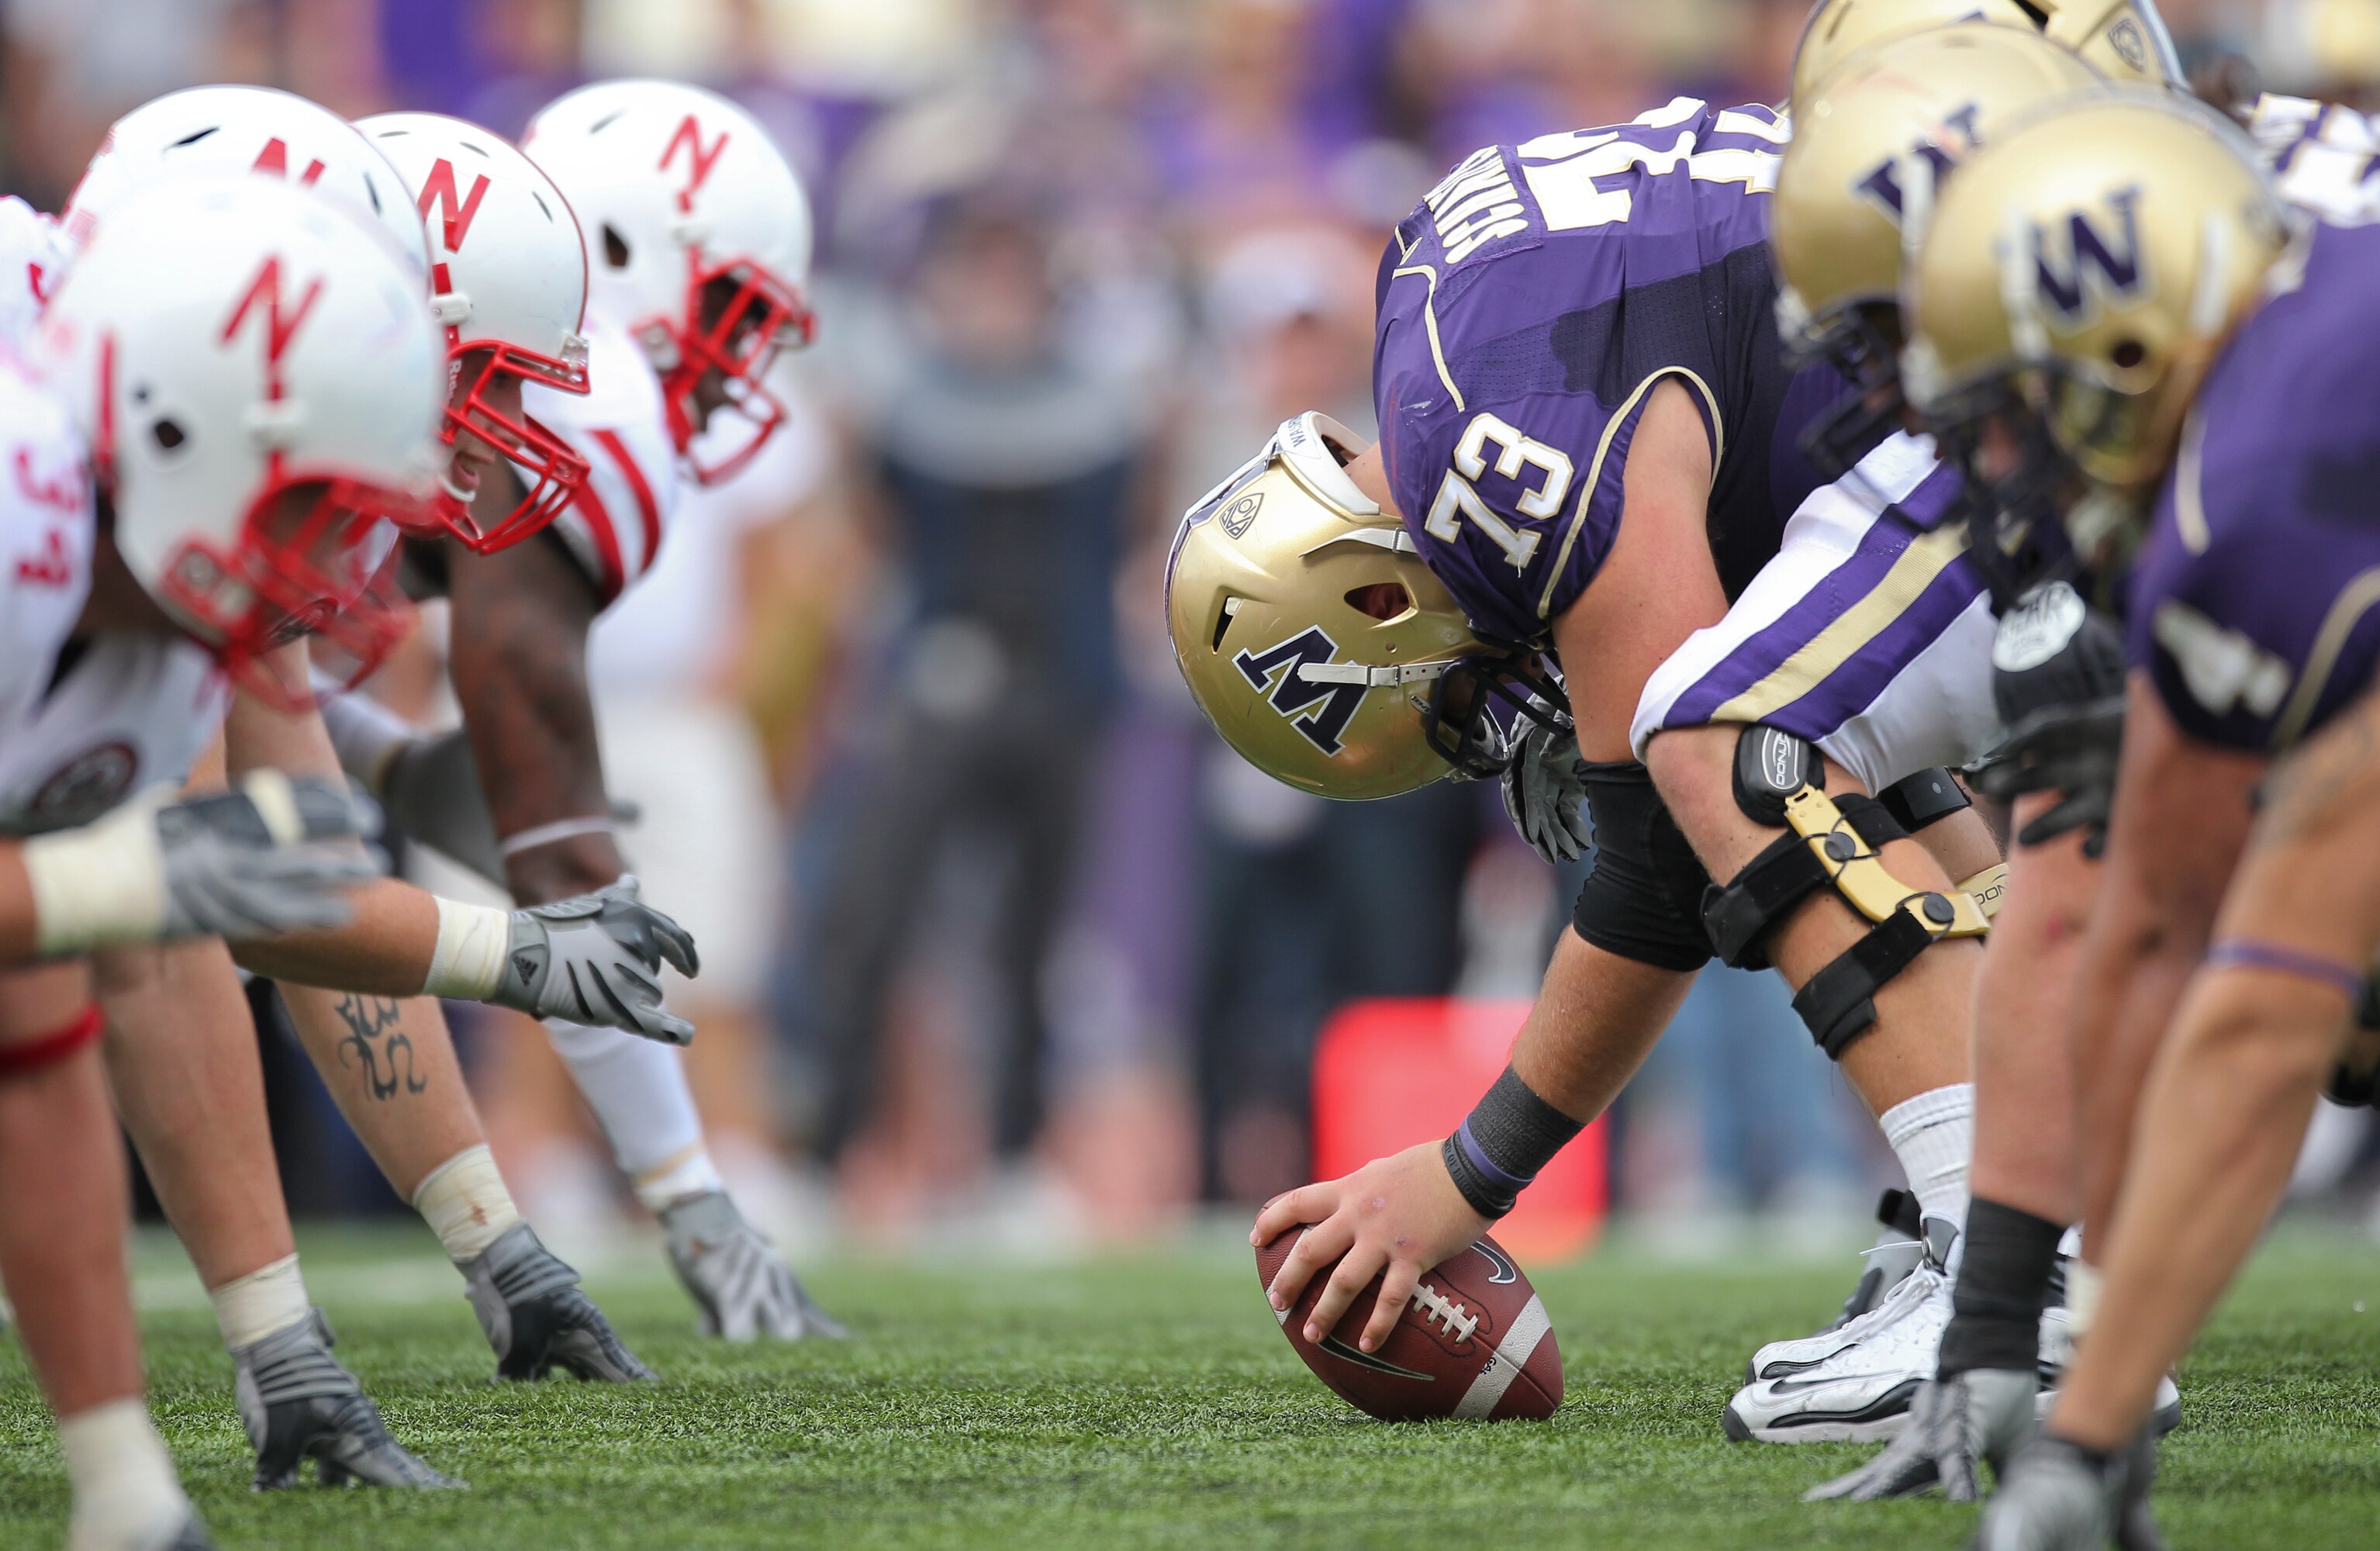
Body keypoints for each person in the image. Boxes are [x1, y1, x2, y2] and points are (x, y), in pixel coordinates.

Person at [1168, 0, 2184, 1445]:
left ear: (1371, 612)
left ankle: (2011, 1291)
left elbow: (1667, 837)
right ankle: (2018, 1217)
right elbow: (1872, 790)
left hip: (2044, 383)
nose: (1501, 714)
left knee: (1716, 738)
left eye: (1462, 706)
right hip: (2093, 319)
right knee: (1826, 750)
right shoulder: (1445, 277)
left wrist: (1469, 1170)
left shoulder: (1478, 446)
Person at [28, 88, 699, 1492]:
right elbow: (175, 917)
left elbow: (249, 879)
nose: (465, 443)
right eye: (469, 378)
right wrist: (514, 954)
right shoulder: (46, 468)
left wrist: (485, 1243)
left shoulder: (156, 462)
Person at [1888, 92, 2374, 1546]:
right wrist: (2022, 1340)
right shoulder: (2281, 269)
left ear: (2121, 348)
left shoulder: (2264, 505)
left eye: (2007, 413)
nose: (1997, 474)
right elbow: (2135, 924)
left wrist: (2084, 1432)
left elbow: (2252, 1007)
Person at [325, 79, 842, 1340]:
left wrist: (376, 758)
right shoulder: (588, 397)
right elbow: (561, 861)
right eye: (727, 305)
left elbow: (231, 694)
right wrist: (690, 1197)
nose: (740, 358)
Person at [3, 170, 444, 1551]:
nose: (334, 569)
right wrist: (107, 886)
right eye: (311, 505)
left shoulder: (143, 593)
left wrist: (120, 1482)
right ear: (177, 427)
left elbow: (42, 1023)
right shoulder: (22, 509)